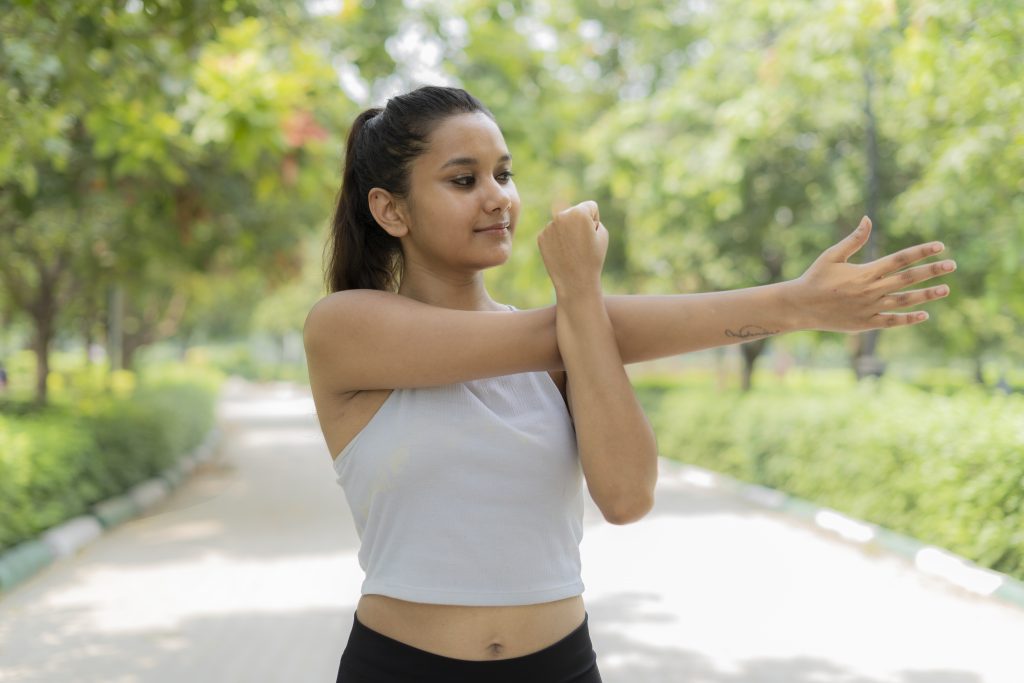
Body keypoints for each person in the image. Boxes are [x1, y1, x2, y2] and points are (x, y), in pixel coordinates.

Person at [303, 86, 955, 682]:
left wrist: (585, 303)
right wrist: (792, 305)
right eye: (463, 179)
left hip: (562, 666)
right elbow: (548, 333)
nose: (498, 197)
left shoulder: (571, 338)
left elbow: (627, 498)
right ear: (391, 209)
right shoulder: (346, 328)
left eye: (504, 173)